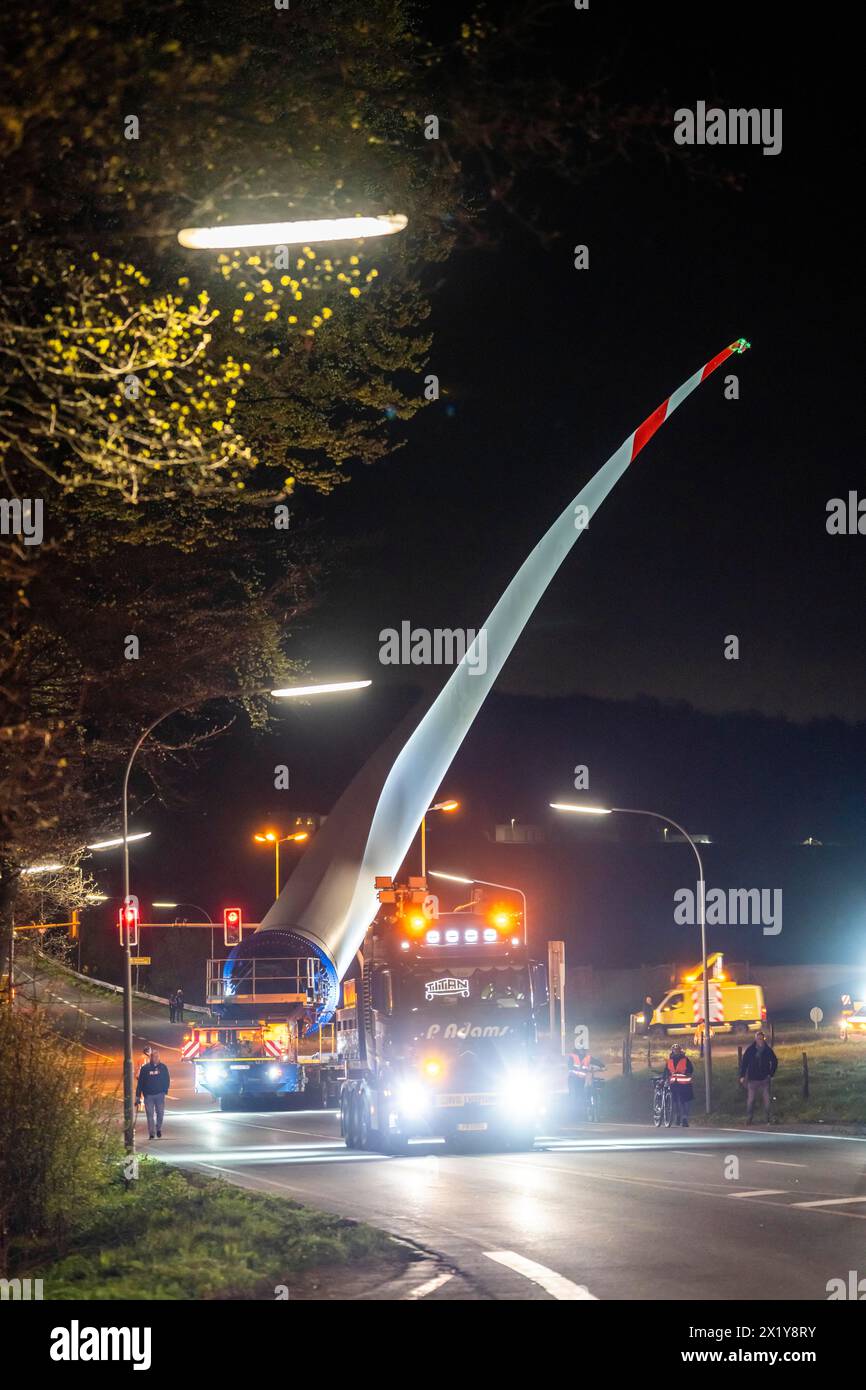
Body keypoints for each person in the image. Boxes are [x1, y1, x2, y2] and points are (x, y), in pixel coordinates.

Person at [739, 1030, 778, 1124]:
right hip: (752, 1080)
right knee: (751, 1100)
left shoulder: (767, 1050)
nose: (760, 1040)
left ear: (763, 1039)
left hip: (764, 1079)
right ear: (755, 1039)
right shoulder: (750, 1050)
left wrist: (771, 1073)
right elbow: (744, 1063)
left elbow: (774, 1061)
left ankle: (768, 1118)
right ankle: (749, 1118)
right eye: (758, 1039)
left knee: (767, 1100)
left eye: (761, 1038)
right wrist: (742, 1075)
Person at [135, 1046, 171, 1139]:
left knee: (160, 1113)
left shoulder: (163, 1067)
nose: (155, 1058)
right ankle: (151, 1133)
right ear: (151, 1058)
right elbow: (140, 1083)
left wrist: (165, 1090)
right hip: (148, 1096)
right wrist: (138, 1096)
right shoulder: (145, 1069)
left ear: (159, 1057)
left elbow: (167, 1079)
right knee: (150, 1115)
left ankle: (158, 1128)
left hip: (160, 1095)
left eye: (157, 1057)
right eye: (153, 1057)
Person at [567, 1047, 606, 1118]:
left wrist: (602, 1066)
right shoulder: (573, 1056)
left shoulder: (588, 1057)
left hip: (581, 1080)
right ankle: (572, 1114)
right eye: (581, 1050)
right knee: (574, 1095)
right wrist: (577, 1069)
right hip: (573, 1079)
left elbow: (597, 1062)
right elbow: (570, 1066)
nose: (583, 1051)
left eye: (584, 1050)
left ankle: (581, 1113)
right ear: (578, 1050)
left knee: (581, 1095)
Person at [666, 1043, 694, 1126]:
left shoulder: (685, 1059)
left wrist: (687, 1073)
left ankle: (684, 1118)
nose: (676, 1051)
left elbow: (690, 1069)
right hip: (674, 1083)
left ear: (680, 1050)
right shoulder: (670, 1060)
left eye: (677, 1050)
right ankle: (678, 1116)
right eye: (674, 1050)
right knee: (676, 1101)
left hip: (684, 1083)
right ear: (672, 1051)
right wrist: (664, 1078)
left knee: (684, 1101)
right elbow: (667, 1070)